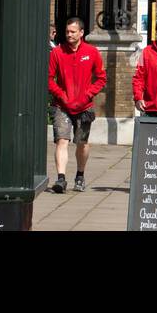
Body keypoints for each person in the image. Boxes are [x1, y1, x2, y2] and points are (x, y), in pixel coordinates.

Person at [47, 17, 107, 193]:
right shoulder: (57, 52)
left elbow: (101, 78)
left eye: (73, 32)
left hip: (84, 106)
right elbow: (50, 79)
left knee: (82, 143)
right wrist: (61, 95)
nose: (69, 35)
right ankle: (61, 179)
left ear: (81, 33)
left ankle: (80, 175)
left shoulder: (92, 52)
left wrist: (88, 94)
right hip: (62, 106)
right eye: (67, 32)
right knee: (61, 140)